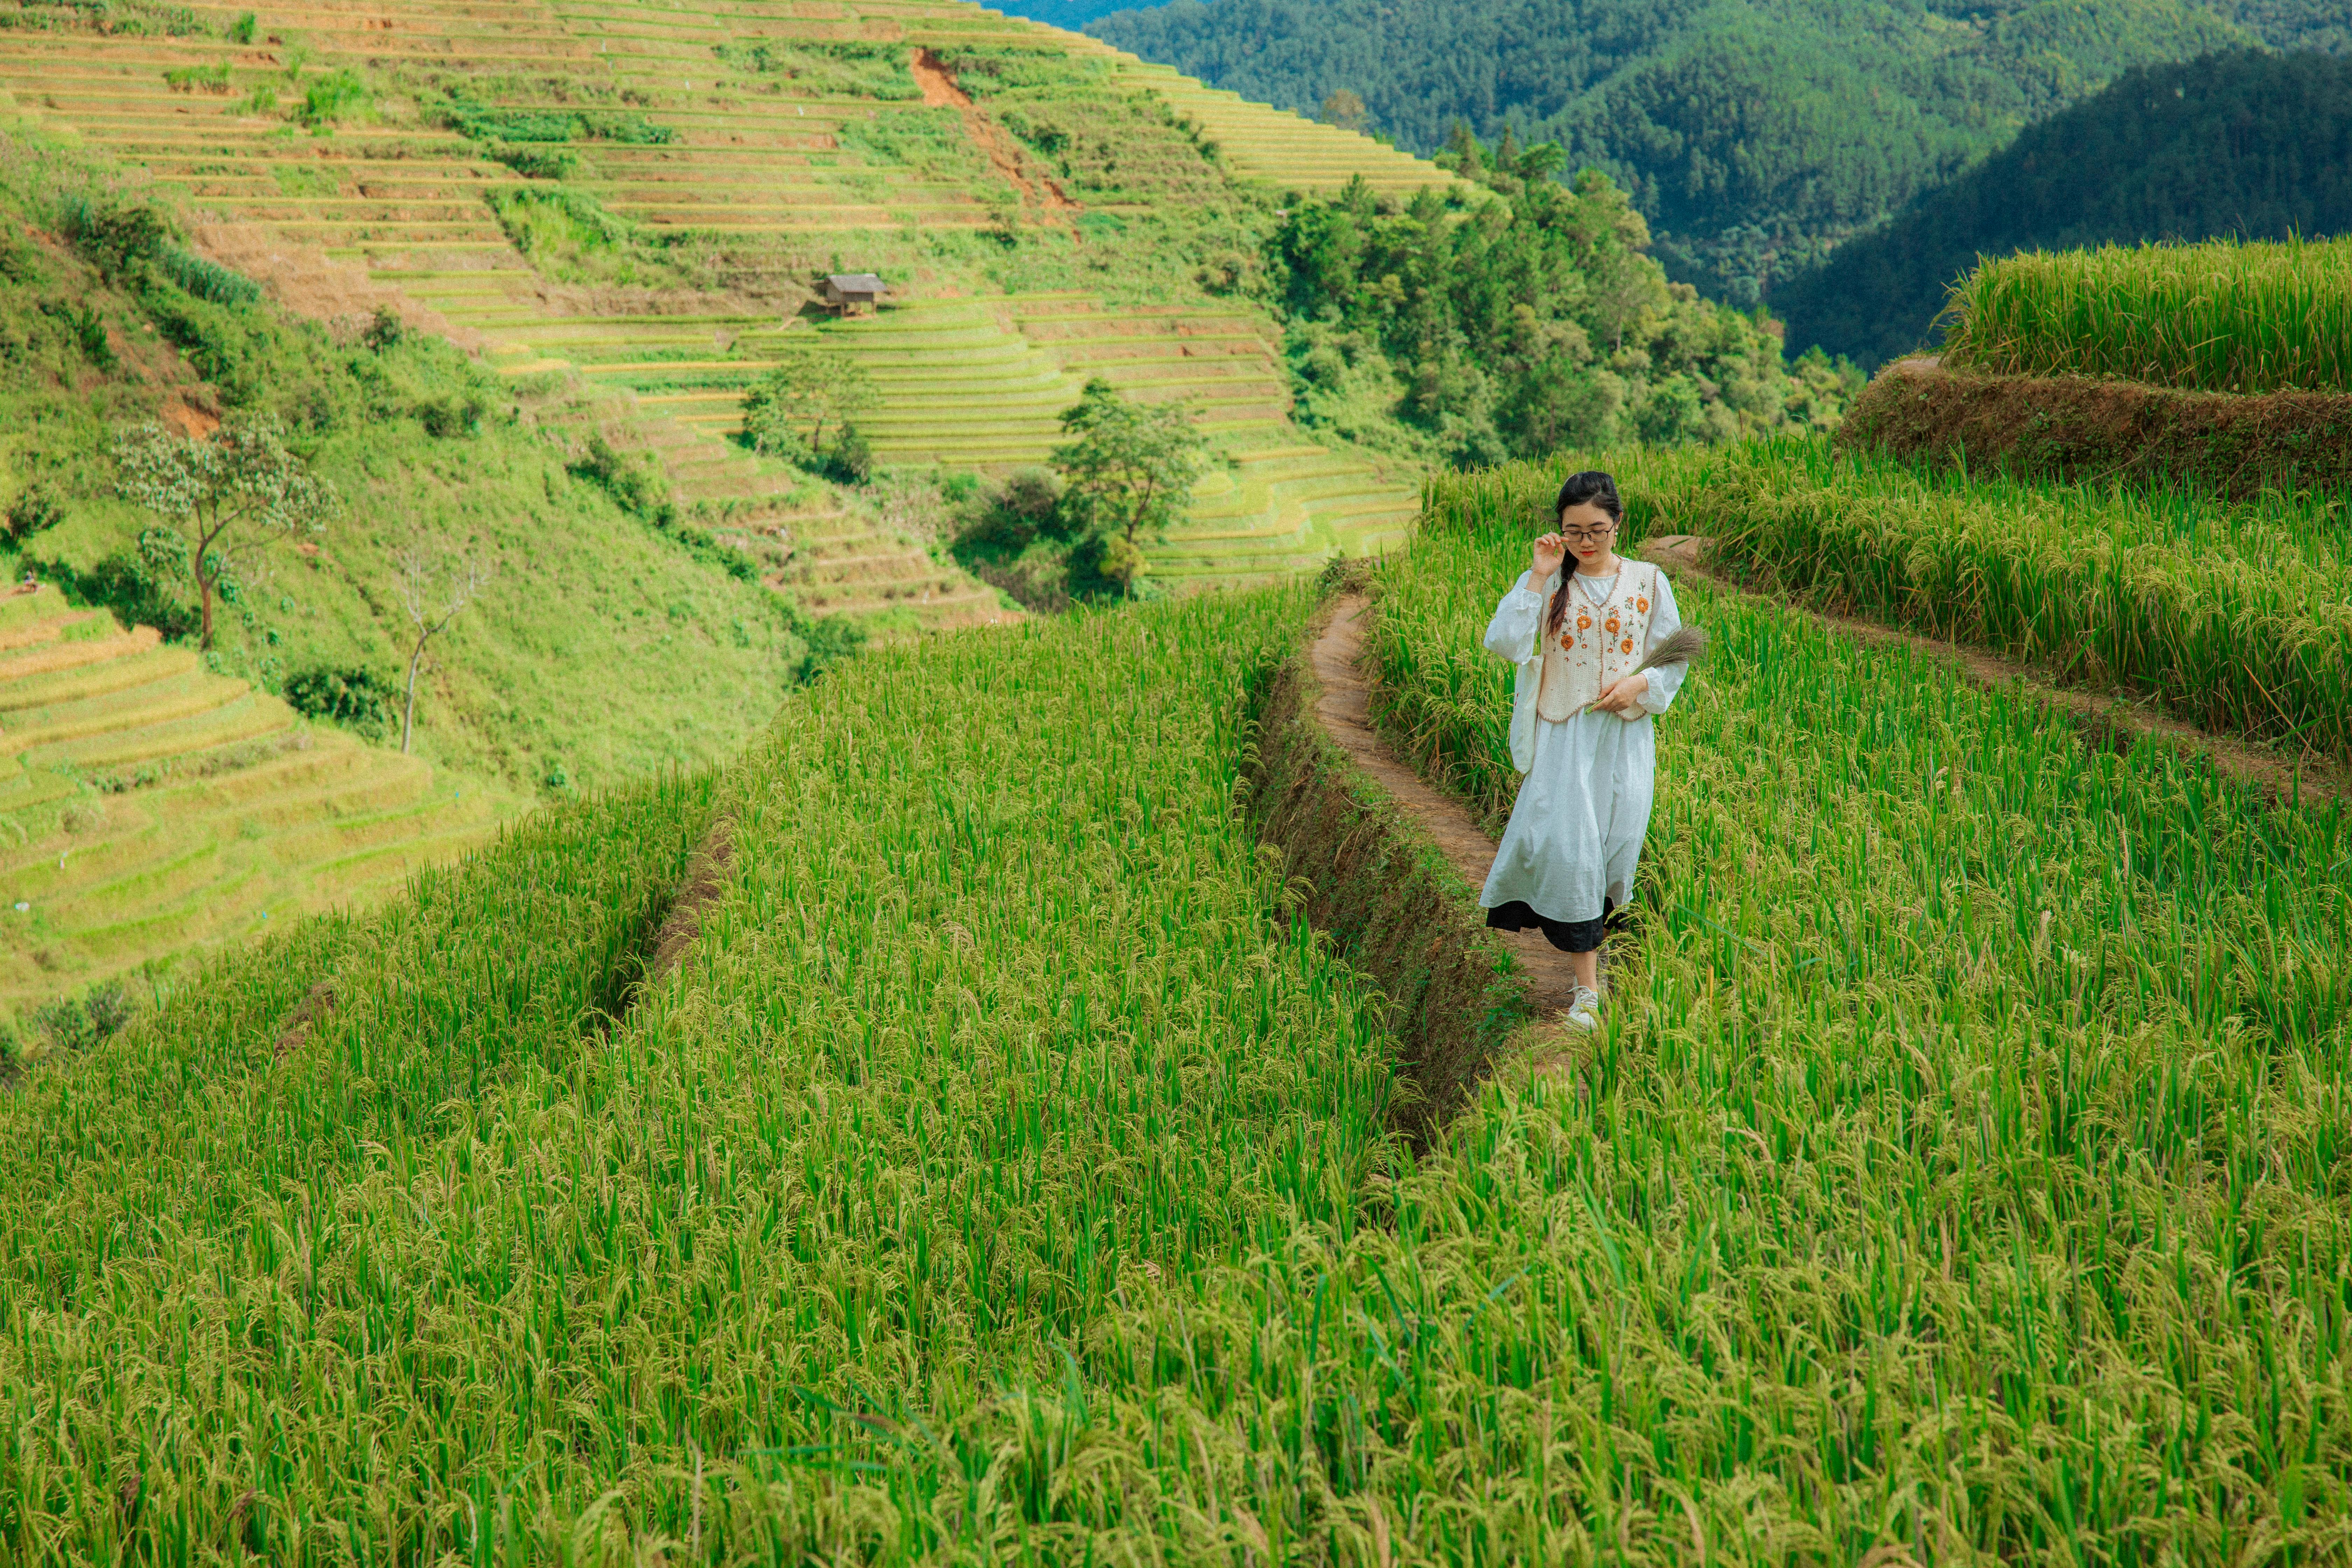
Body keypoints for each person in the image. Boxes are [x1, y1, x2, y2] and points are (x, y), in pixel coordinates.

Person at [1477, 469, 1687, 1032]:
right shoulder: (1545, 581)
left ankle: (1598, 962)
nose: (1586, 541)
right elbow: (1503, 642)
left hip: (1624, 738)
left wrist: (1638, 687)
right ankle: (1587, 993)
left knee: (1615, 849)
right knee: (1574, 854)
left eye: (1597, 529)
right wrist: (1539, 575)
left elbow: (1674, 653)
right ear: (1560, 533)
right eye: (1574, 532)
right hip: (1565, 738)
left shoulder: (1648, 580)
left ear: (1618, 524)